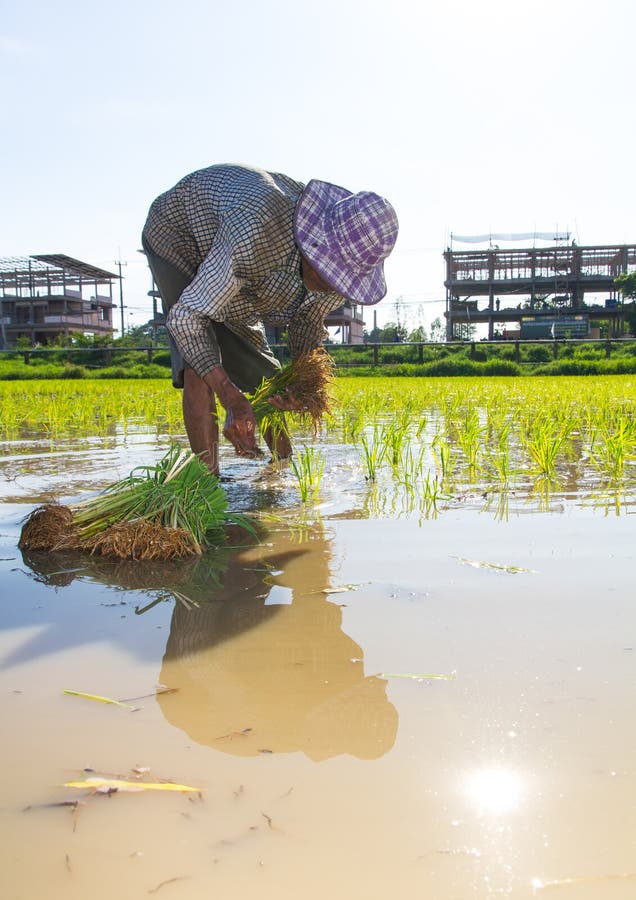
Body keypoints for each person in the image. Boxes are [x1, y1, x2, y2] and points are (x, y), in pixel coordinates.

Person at [142, 163, 398, 473]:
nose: (333, 284)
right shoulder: (258, 229)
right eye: (329, 270)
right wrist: (229, 395)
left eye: (340, 277)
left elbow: (305, 325)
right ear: (314, 239)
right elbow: (188, 318)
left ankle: (282, 472)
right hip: (179, 235)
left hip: (241, 266)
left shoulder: (341, 277)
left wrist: (302, 385)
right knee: (199, 366)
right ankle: (206, 487)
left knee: (265, 377)